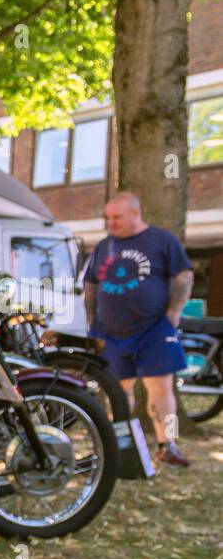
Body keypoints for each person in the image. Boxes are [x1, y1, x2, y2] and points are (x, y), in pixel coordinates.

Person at [83, 192, 192, 468]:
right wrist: (92, 322)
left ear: (135, 212)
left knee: (161, 388)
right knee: (118, 391)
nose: (111, 223)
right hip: (111, 332)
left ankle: (168, 445)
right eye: (108, 217)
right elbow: (91, 285)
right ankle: (117, 446)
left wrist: (173, 314)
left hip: (154, 328)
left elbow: (184, 275)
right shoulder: (105, 246)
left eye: (117, 217)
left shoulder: (162, 240)